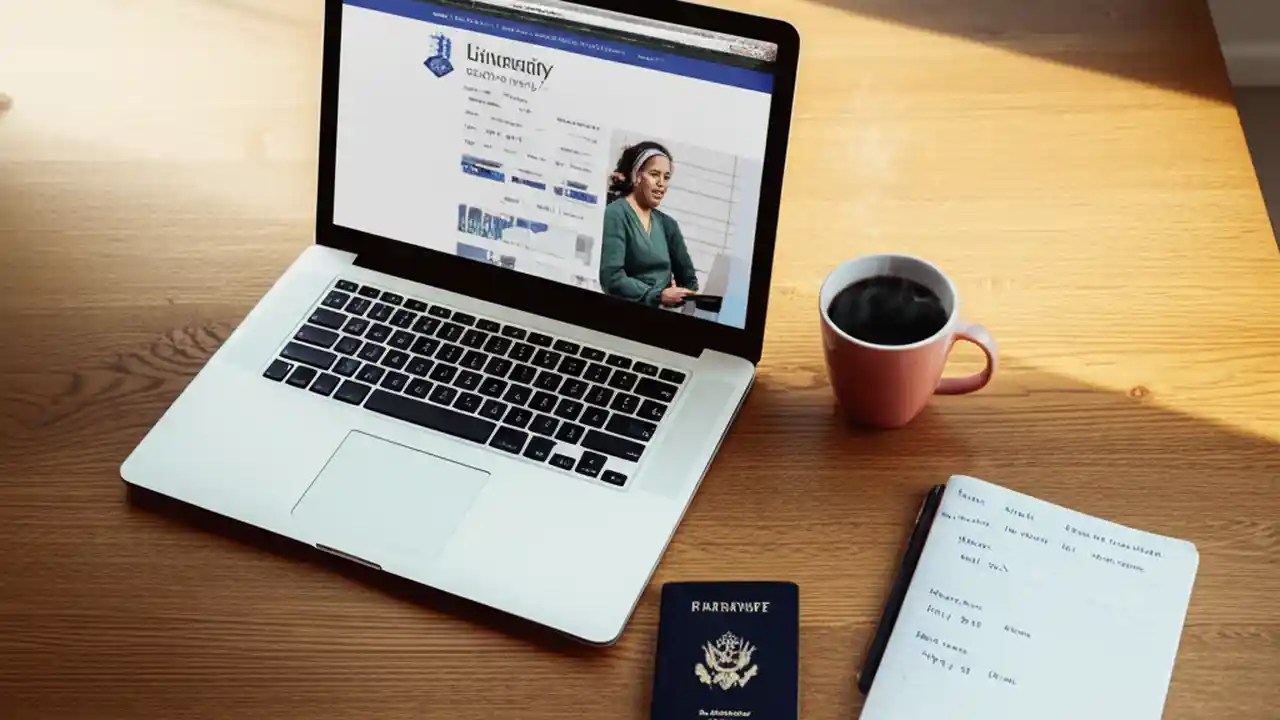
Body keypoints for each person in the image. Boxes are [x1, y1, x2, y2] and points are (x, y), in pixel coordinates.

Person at [599, 142, 699, 307]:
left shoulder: (668, 225)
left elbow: (689, 282)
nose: (661, 183)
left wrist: (678, 296)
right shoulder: (616, 213)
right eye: (654, 174)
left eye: (666, 177)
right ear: (637, 176)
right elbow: (612, 278)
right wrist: (658, 296)